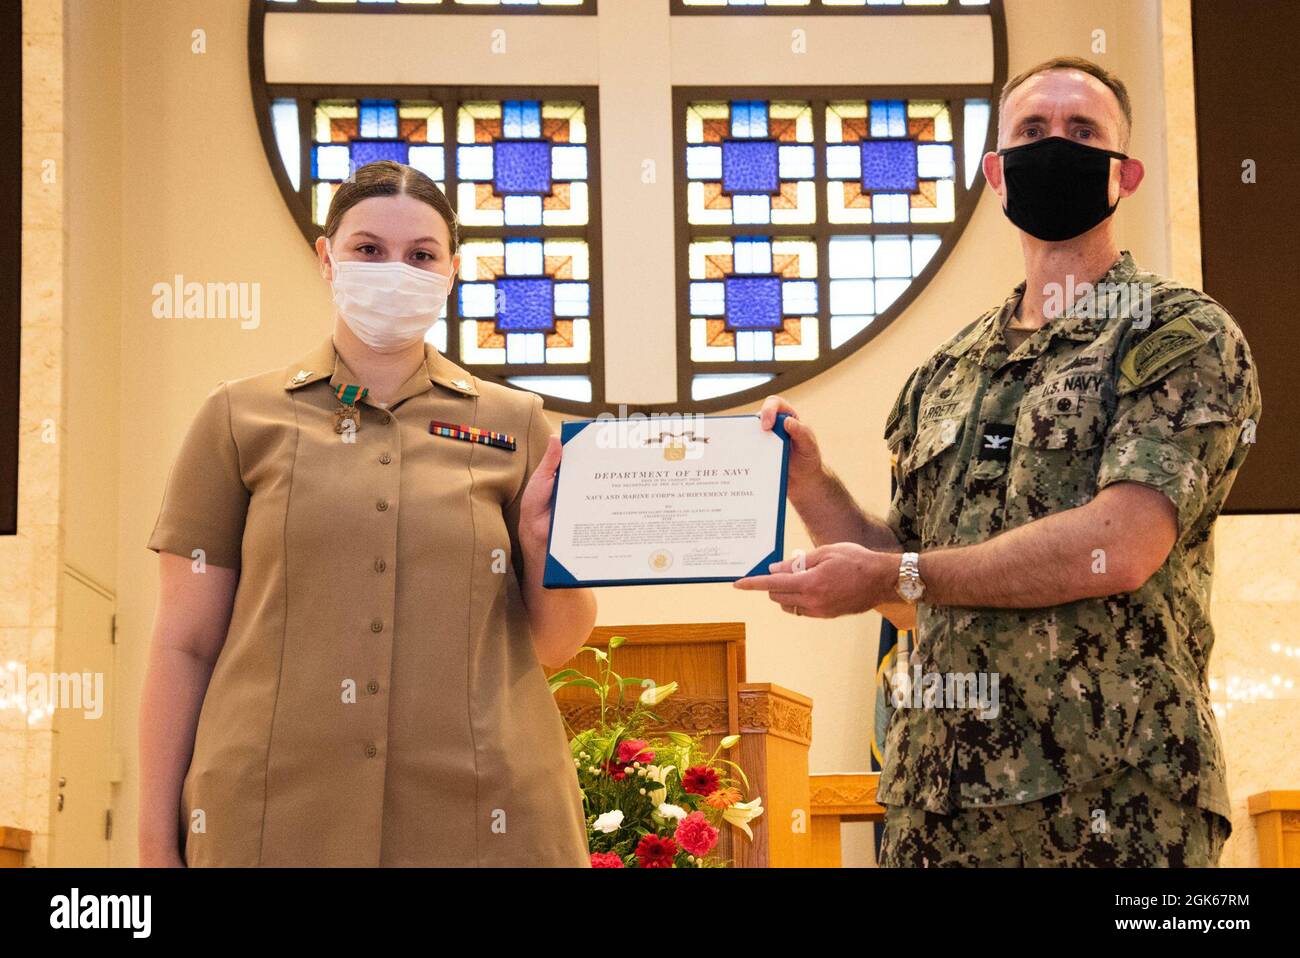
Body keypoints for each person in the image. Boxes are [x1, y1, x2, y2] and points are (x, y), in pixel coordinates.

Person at [736, 57, 1261, 867]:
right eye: (1032, 131)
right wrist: (812, 483)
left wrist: (897, 575)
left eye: (1082, 133)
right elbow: (916, 591)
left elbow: (1121, 545)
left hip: (1117, 801)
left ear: (1125, 175)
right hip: (939, 805)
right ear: (996, 173)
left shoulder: (1175, 334)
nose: (1056, 147)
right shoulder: (946, 371)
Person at [138, 160, 596, 867]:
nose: (394, 270)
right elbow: (185, 644)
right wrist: (153, 841)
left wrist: (541, 550)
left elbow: (554, 645)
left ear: (450, 272)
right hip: (273, 808)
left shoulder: (518, 424)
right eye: (368, 250)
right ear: (327, 258)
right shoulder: (238, 418)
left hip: (482, 808)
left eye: (420, 255)